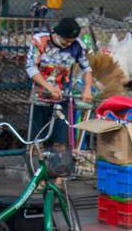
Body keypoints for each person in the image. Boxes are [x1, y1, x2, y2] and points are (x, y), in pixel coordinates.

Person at [25, 16, 91, 148]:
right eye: (65, 41)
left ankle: (57, 166)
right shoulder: (40, 41)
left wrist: (87, 88)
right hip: (40, 97)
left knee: (60, 140)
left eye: (71, 41)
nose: (68, 44)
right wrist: (48, 87)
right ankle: (36, 165)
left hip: (63, 98)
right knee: (36, 140)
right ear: (57, 34)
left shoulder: (77, 46)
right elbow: (30, 67)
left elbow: (87, 68)